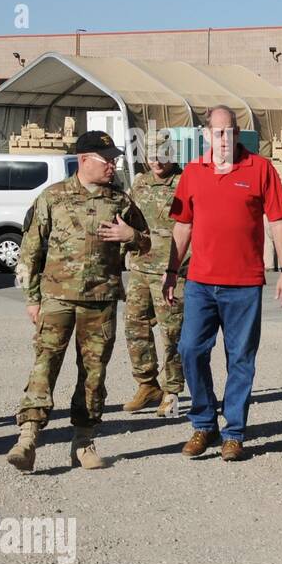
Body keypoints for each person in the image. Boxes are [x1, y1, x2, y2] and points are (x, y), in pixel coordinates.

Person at [6, 131, 151, 472]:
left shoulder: (120, 201)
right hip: (56, 298)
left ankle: (83, 442)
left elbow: (146, 243)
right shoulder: (52, 197)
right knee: (44, 366)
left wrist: (132, 236)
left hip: (100, 301)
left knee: (93, 373)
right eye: (107, 160)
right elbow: (30, 250)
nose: (113, 166)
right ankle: (27, 439)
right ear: (85, 160)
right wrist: (31, 299)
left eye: (114, 160)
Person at [163, 105, 282, 462]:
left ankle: (233, 432)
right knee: (190, 350)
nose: (225, 139)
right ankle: (204, 424)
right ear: (206, 135)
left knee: (241, 359)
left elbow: (278, 221)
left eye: (231, 131)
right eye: (218, 132)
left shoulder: (261, 168)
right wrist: (172, 270)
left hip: (244, 284)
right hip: (201, 283)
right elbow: (183, 226)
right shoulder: (193, 172)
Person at [124, 146, 186, 416]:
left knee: (171, 332)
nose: (156, 162)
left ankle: (171, 390)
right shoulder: (139, 182)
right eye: (151, 156)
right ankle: (147, 384)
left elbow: (194, 226)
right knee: (134, 328)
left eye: (162, 156)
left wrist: (180, 265)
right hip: (140, 266)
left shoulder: (185, 183)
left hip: (171, 270)